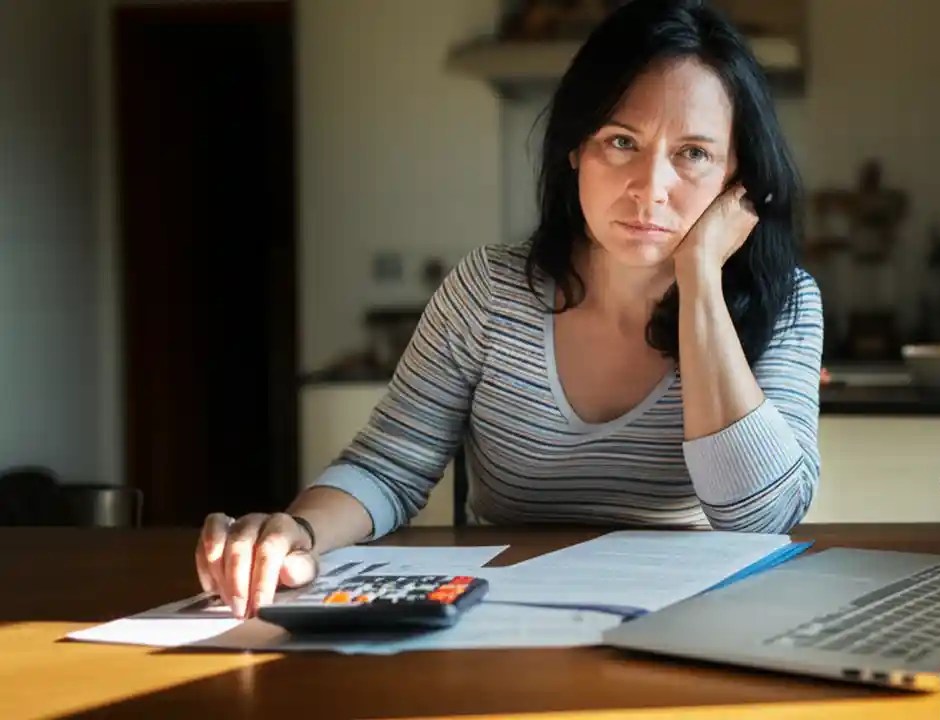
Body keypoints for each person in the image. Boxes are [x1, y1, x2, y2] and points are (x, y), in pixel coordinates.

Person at [195, 0, 824, 619]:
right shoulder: (489, 290)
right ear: (575, 148)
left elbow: (759, 518)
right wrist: (300, 531)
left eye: (694, 153)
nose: (651, 188)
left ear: (737, 176)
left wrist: (700, 282)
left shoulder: (786, 301)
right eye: (622, 140)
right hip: (502, 618)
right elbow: (388, 468)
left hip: (690, 623)